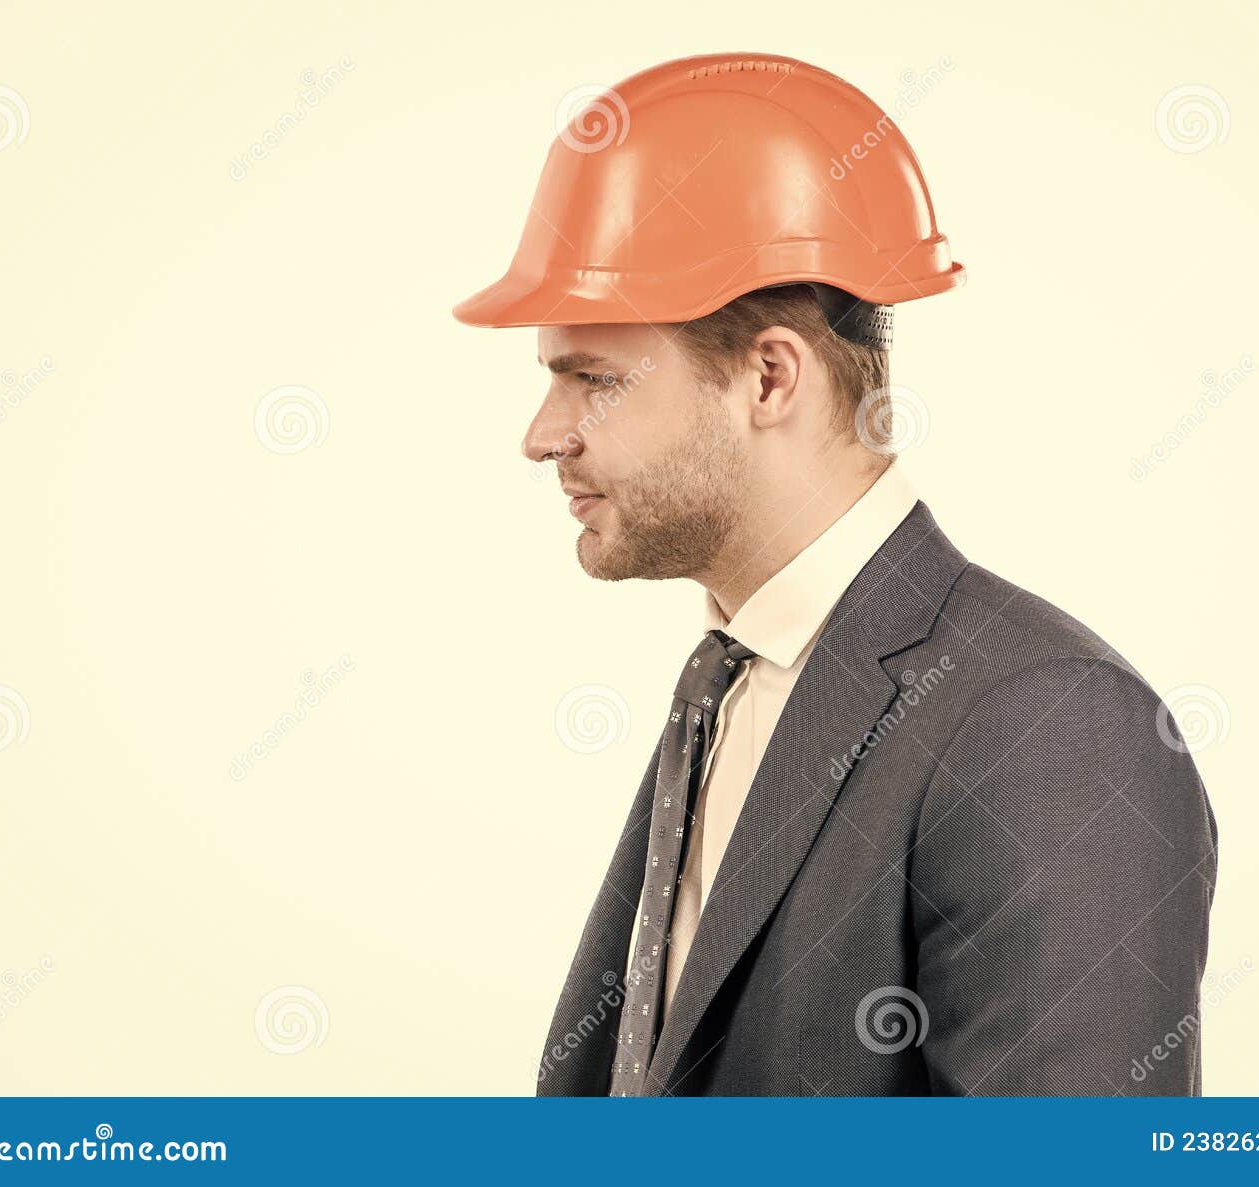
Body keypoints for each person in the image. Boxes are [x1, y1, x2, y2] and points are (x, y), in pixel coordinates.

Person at [453, 52, 1217, 1096]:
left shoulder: (1047, 724)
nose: (543, 436)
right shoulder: (732, 681)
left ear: (769, 377)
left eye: (591, 378)